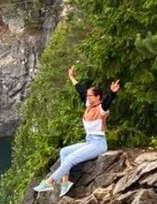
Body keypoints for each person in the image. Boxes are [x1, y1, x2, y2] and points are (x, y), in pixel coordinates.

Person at [35, 66, 120, 197]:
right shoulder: (89, 106)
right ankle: (65, 181)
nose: (88, 98)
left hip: (98, 145)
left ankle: (50, 182)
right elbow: (80, 91)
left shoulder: (101, 109)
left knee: (70, 159)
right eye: (88, 96)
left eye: (91, 96)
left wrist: (112, 93)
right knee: (64, 152)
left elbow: (107, 102)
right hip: (89, 141)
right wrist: (72, 77)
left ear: (98, 97)